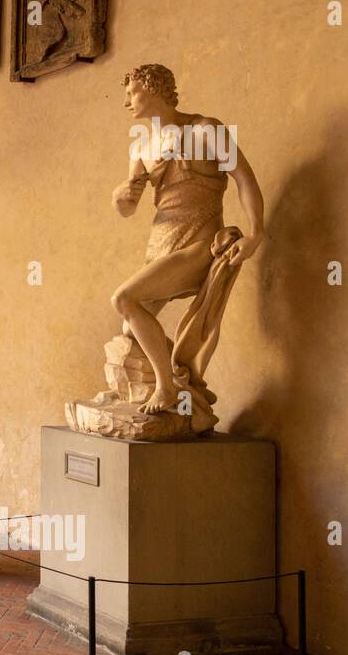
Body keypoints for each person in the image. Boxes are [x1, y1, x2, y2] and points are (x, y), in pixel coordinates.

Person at [111, 64, 265, 414]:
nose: (126, 103)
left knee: (123, 298)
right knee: (131, 327)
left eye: (131, 93)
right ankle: (182, 382)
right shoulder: (140, 149)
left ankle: (166, 387)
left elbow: (244, 179)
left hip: (198, 243)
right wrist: (121, 197)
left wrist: (256, 232)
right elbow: (127, 208)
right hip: (160, 246)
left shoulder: (205, 129)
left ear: (155, 89)